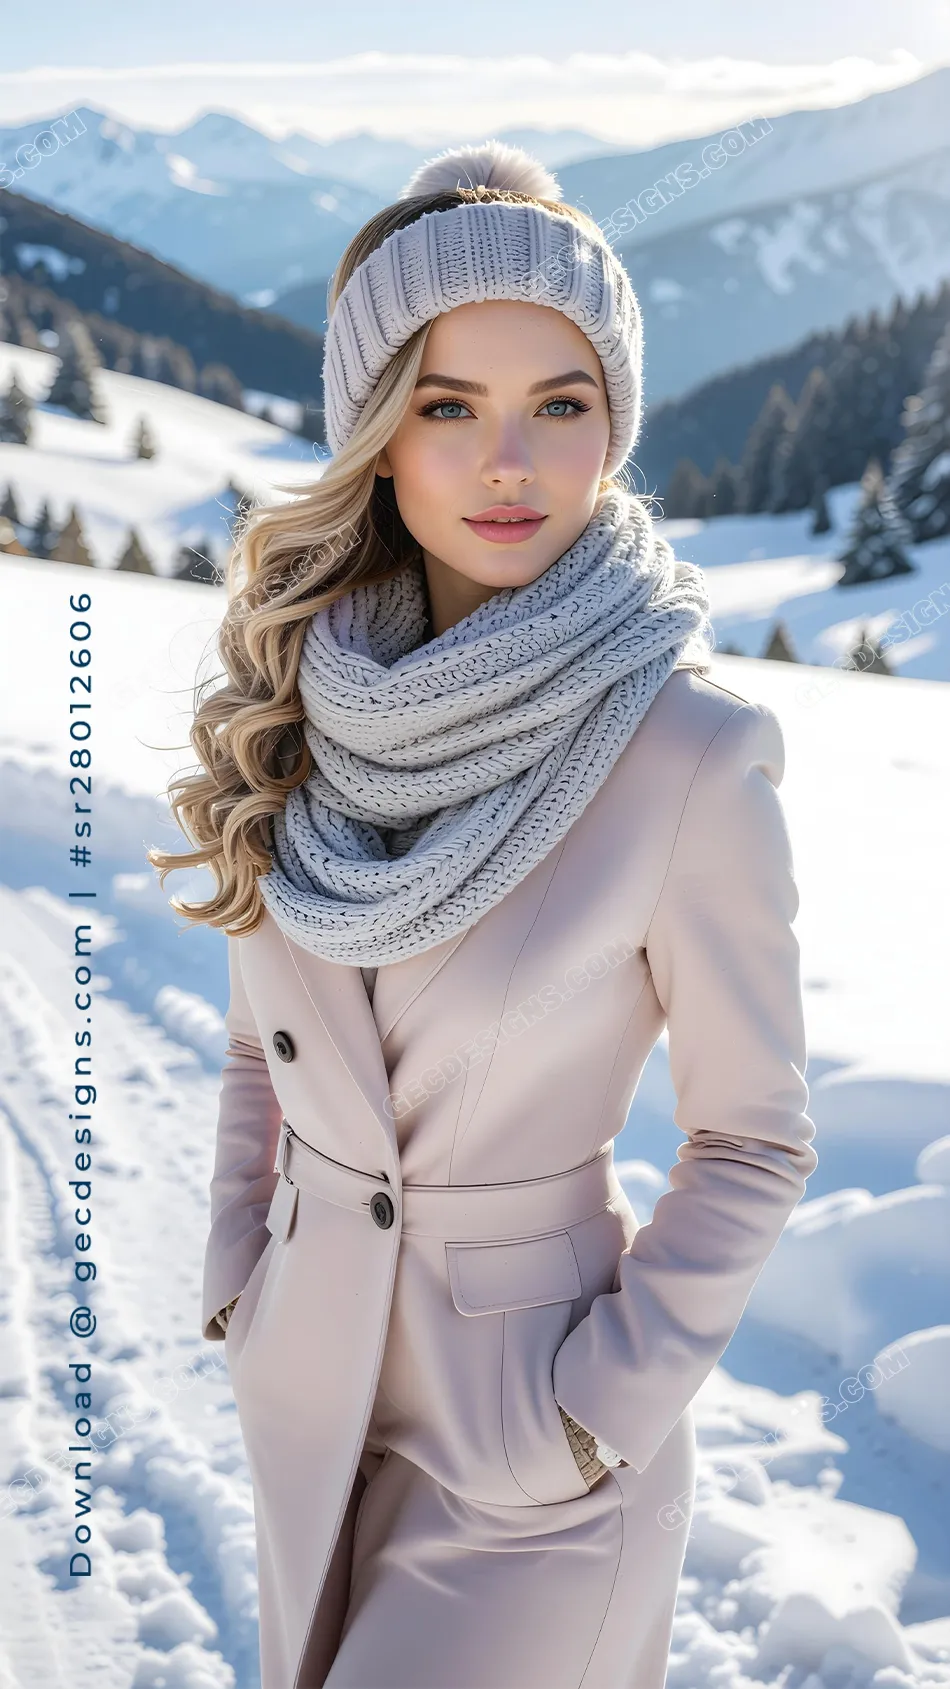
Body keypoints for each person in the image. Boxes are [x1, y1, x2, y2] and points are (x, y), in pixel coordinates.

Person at [149, 139, 817, 1689]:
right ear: (376, 438)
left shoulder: (690, 753)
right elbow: (273, 1051)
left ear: (612, 428)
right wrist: (240, 1275)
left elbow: (753, 1136)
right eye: (446, 407)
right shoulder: (302, 701)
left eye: (558, 405)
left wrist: (597, 1409)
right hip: (310, 1396)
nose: (505, 460)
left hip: (534, 1448)